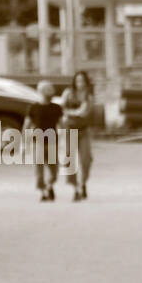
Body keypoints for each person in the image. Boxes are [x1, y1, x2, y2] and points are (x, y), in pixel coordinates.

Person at [60, 71, 96, 201]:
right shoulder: (67, 93)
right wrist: (73, 113)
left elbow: (85, 113)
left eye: (82, 81)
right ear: (74, 82)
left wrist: (71, 113)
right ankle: (75, 187)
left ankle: (83, 182)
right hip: (70, 130)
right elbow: (62, 109)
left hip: (83, 130)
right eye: (78, 80)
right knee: (69, 160)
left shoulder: (89, 97)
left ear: (86, 82)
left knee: (86, 160)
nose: (80, 83)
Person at [25, 81, 63, 202]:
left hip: (52, 142)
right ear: (40, 92)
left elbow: (62, 125)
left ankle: (49, 185)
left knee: (54, 169)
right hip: (38, 142)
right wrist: (23, 144)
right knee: (39, 170)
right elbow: (27, 125)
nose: (49, 93)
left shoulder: (57, 108)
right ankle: (43, 192)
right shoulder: (33, 107)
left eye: (50, 90)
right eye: (46, 90)